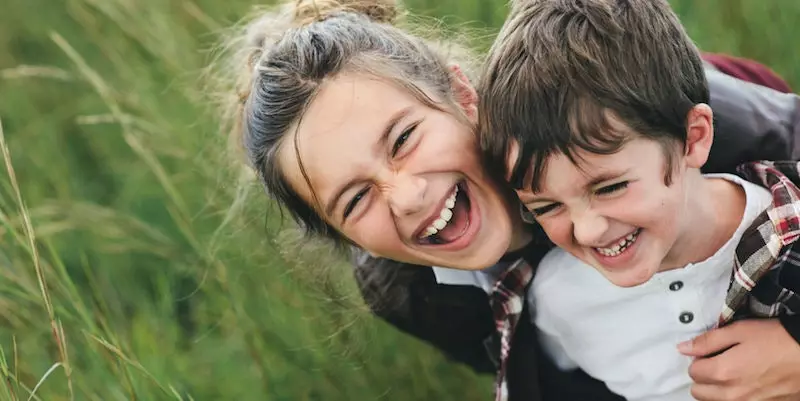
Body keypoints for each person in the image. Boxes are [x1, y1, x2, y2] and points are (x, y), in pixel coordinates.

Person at [216, 0, 800, 399]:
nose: (408, 195)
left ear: (462, 96)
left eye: (403, 139)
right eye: (354, 200)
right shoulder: (408, 290)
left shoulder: (611, 111)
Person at [476, 0, 800, 400]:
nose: (588, 229)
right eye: (546, 207)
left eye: (609, 187)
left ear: (693, 138)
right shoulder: (558, 301)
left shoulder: (790, 232)